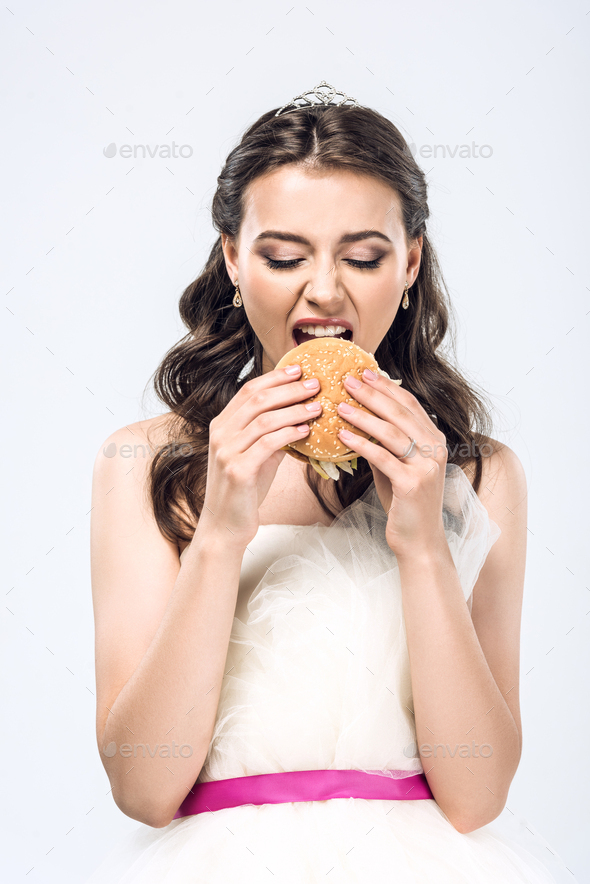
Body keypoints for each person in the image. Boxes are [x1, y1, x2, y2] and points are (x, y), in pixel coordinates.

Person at [86, 82, 576, 882]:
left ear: (410, 261)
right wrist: (220, 533)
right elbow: (144, 787)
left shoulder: (481, 475)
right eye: (283, 256)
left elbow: (477, 794)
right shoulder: (145, 464)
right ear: (234, 260)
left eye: (363, 256)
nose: (324, 289)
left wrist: (422, 543)